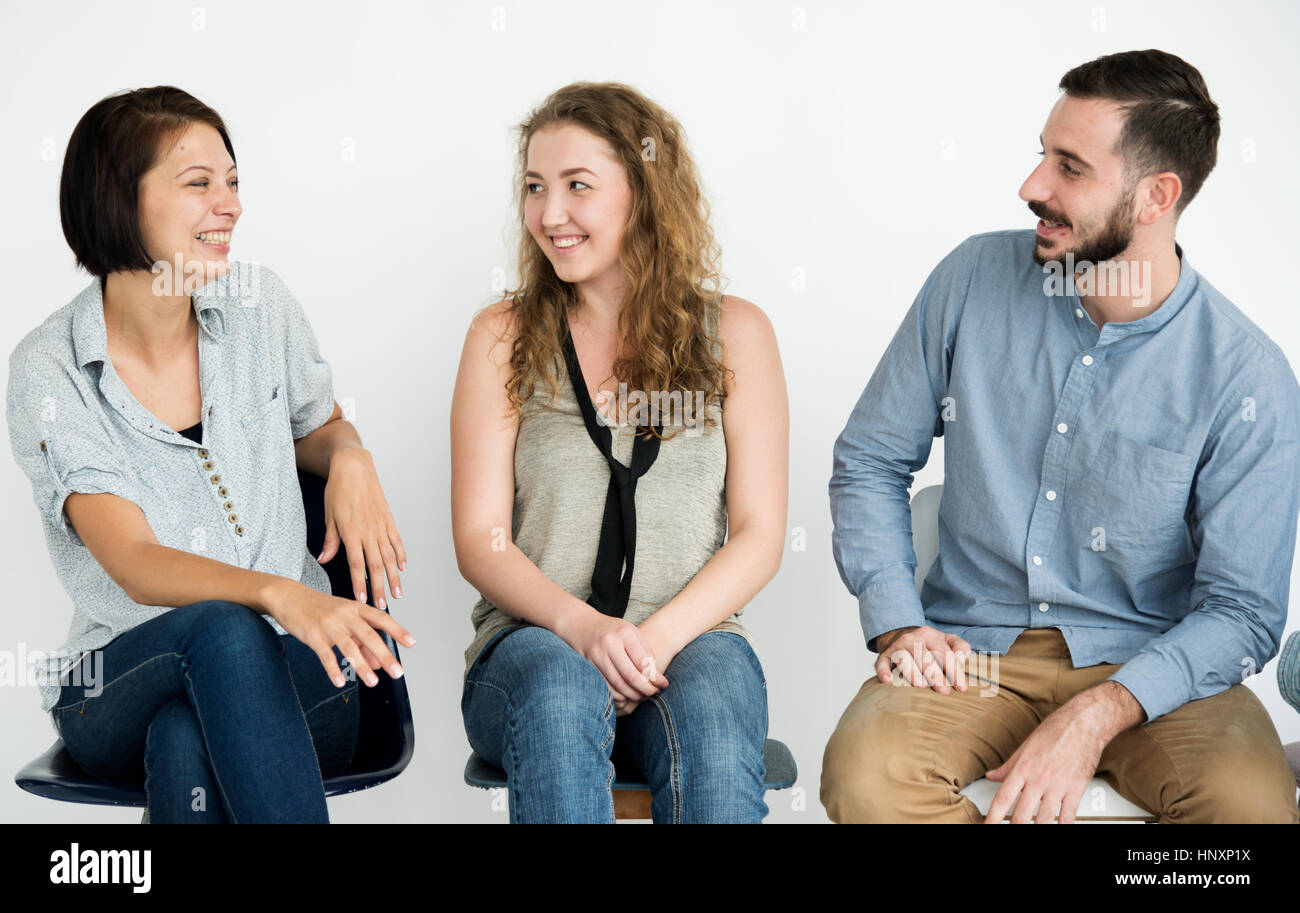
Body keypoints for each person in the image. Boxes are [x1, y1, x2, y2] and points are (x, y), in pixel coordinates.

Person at [822, 49, 1300, 823]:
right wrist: (901, 619)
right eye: (1042, 154)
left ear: (1156, 196)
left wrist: (1103, 707)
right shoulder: (970, 279)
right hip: (970, 654)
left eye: (1069, 167)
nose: (1032, 186)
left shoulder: (1247, 376)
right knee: (868, 778)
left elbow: (1243, 611)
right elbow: (871, 458)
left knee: (1249, 806)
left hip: (1157, 669)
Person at [6, 86, 414, 823]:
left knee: (187, 736)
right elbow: (130, 558)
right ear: (117, 199)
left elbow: (316, 426)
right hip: (116, 678)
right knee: (226, 628)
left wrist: (350, 454)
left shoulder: (263, 307)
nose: (229, 205)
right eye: (198, 184)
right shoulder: (50, 367)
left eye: (232, 182)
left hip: (304, 673)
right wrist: (279, 592)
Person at [451, 82, 788, 823]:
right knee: (560, 690)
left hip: (695, 641)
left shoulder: (739, 333)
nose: (549, 214)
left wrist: (651, 640)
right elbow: (481, 540)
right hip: (534, 648)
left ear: (644, 192)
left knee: (709, 720)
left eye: (578, 186)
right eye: (535, 188)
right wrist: (586, 629)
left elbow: (761, 535)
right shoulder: (499, 337)